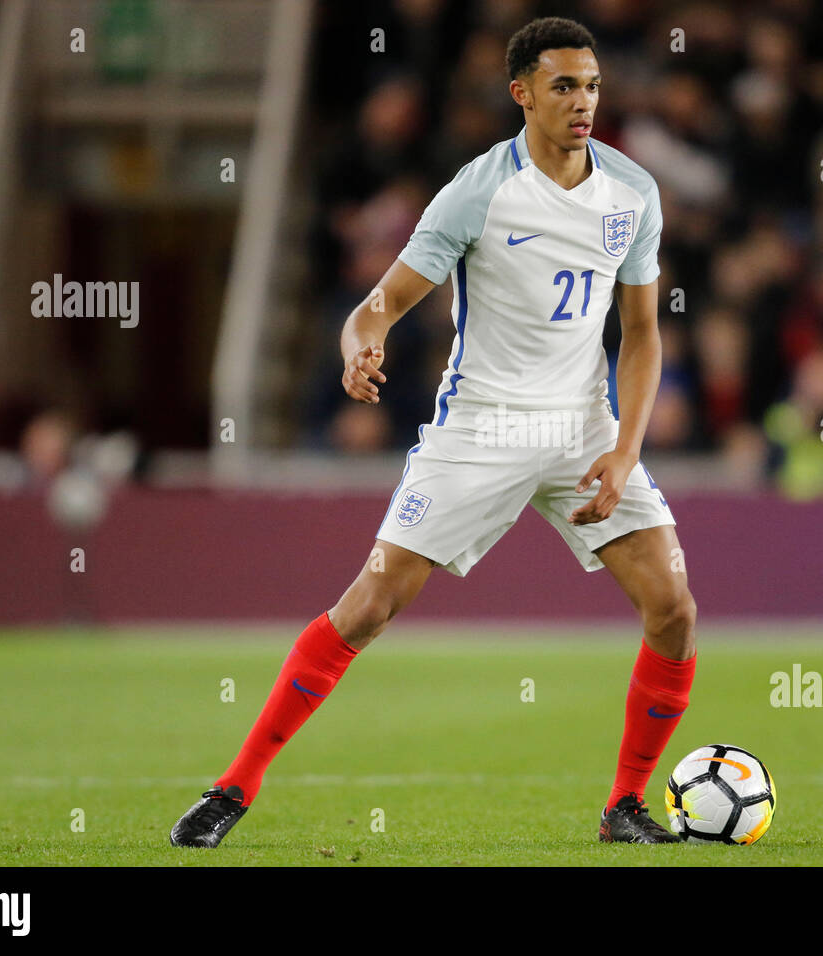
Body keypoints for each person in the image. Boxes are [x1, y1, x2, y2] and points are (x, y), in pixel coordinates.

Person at [171, 16, 697, 848]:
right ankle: (233, 788)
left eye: (592, 85)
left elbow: (641, 333)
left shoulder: (632, 192)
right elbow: (377, 304)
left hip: (582, 431)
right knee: (367, 608)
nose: (583, 102)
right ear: (521, 93)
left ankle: (625, 805)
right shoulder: (479, 190)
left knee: (673, 607)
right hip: (479, 431)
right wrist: (360, 345)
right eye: (564, 86)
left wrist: (625, 448)